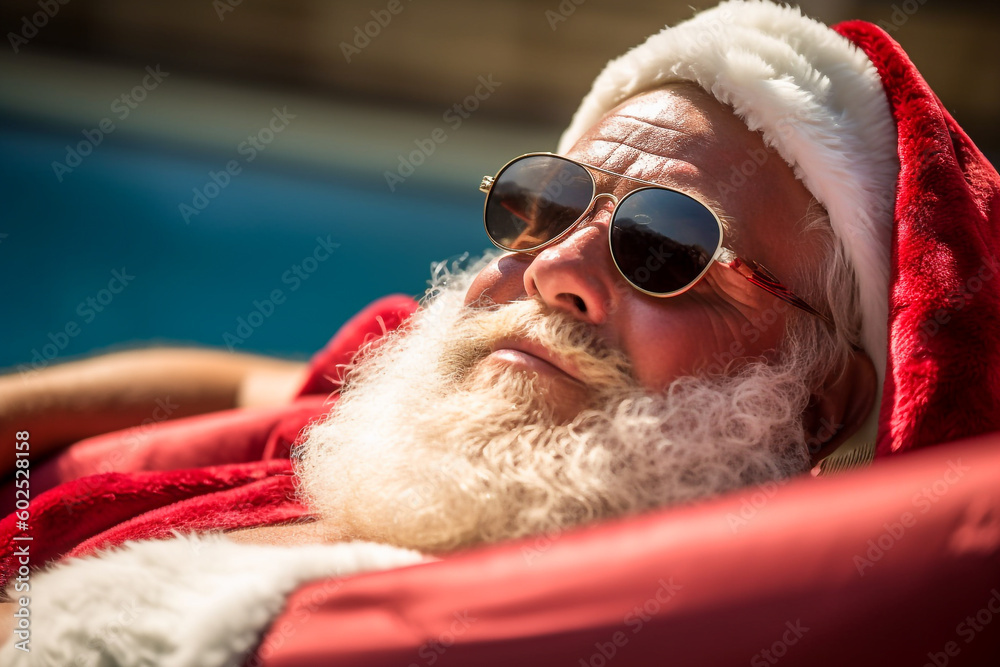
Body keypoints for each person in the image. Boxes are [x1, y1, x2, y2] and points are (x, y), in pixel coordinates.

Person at [3, 1, 999, 664]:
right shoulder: (440, 408)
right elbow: (229, 386)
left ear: (817, 405)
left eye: (664, 247)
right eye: (548, 204)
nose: (558, 268)